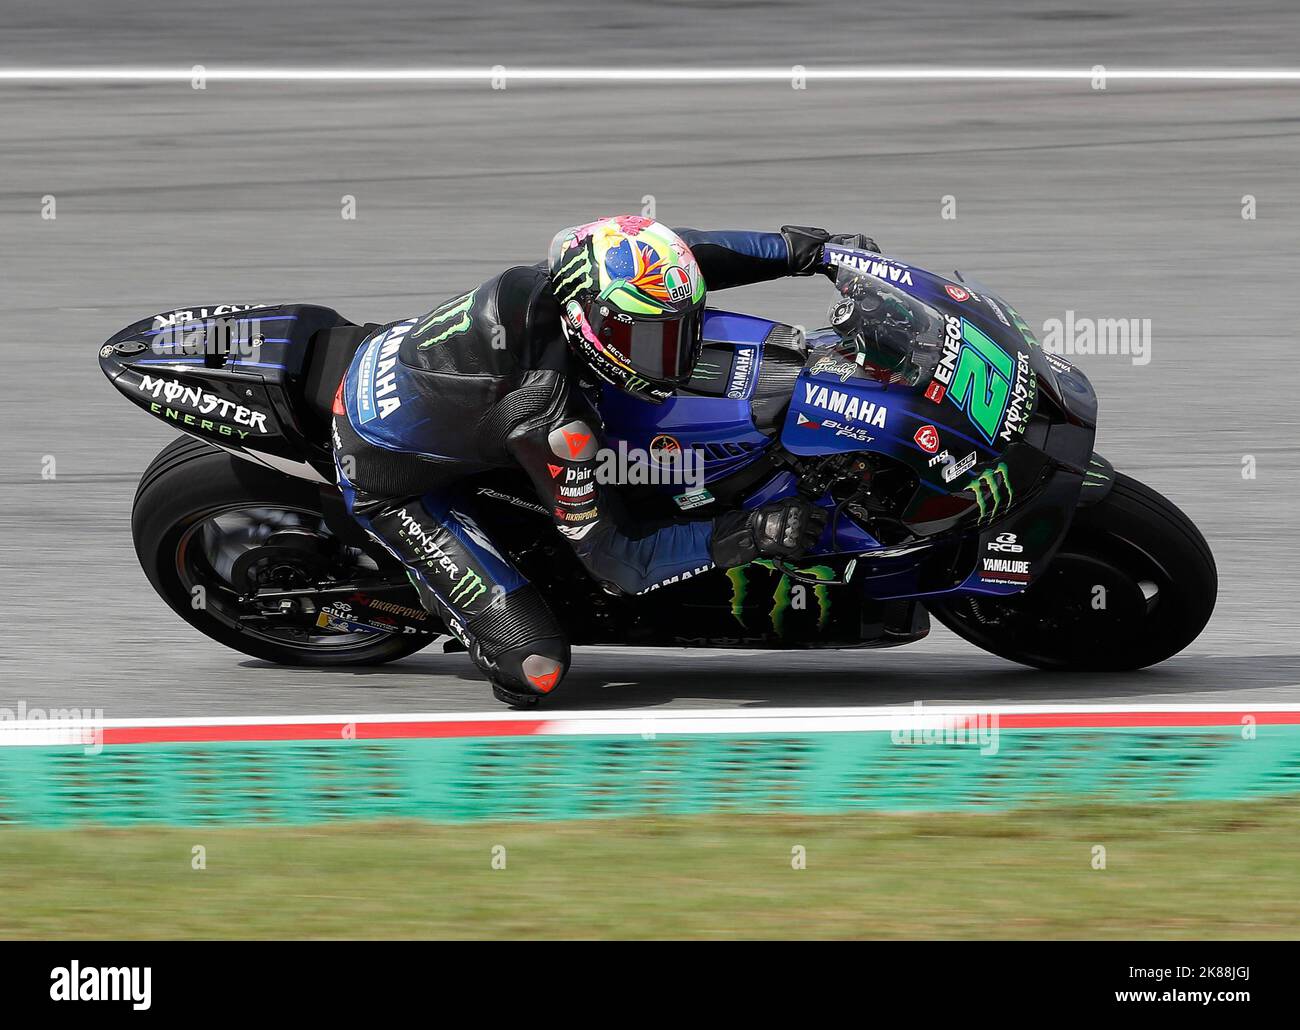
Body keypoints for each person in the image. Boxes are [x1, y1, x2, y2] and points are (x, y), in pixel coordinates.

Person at [331, 215, 876, 705]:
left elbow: (680, 254)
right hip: (391, 478)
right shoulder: (553, 423)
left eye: (681, 328)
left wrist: (810, 251)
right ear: (593, 328)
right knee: (537, 668)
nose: (679, 351)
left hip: (420, 375)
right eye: (654, 340)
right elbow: (619, 563)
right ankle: (442, 595)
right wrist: (749, 534)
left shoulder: (580, 279)